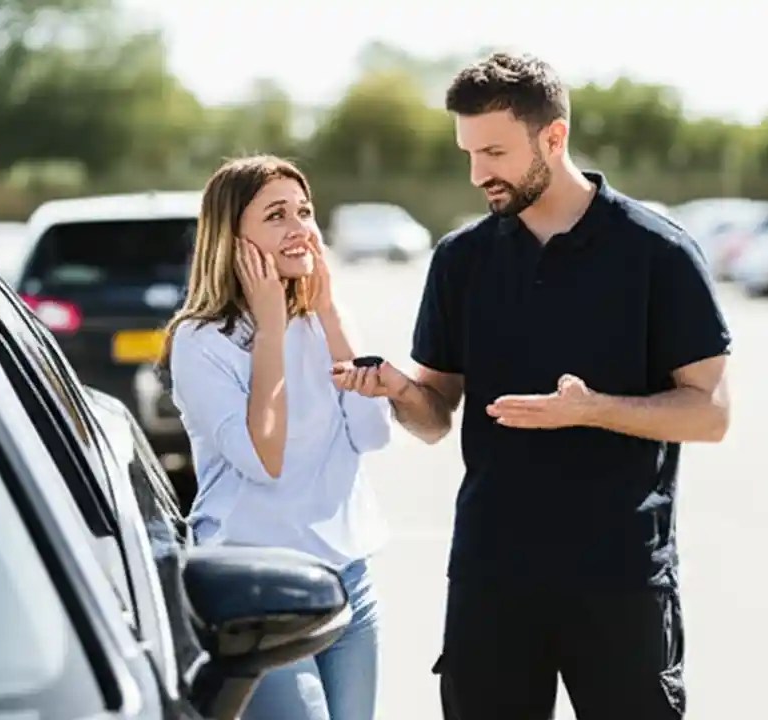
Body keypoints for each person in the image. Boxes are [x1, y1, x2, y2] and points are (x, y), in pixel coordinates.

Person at [332, 53, 732, 719]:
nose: (477, 173)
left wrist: (592, 410)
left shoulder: (657, 253)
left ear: (554, 137)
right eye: (468, 152)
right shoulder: (461, 260)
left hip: (620, 578)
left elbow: (710, 414)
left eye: (494, 151)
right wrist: (401, 390)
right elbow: (435, 418)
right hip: (492, 576)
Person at [161, 155, 390, 720]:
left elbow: (373, 431)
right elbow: (265, 457)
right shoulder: (200, 342)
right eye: (277, 215)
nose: (300, 228)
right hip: (259, 595)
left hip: (349, 585)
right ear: (232, 239)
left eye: (305, 212)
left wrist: (332, 310)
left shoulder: (320, 320)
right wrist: (269, 330)